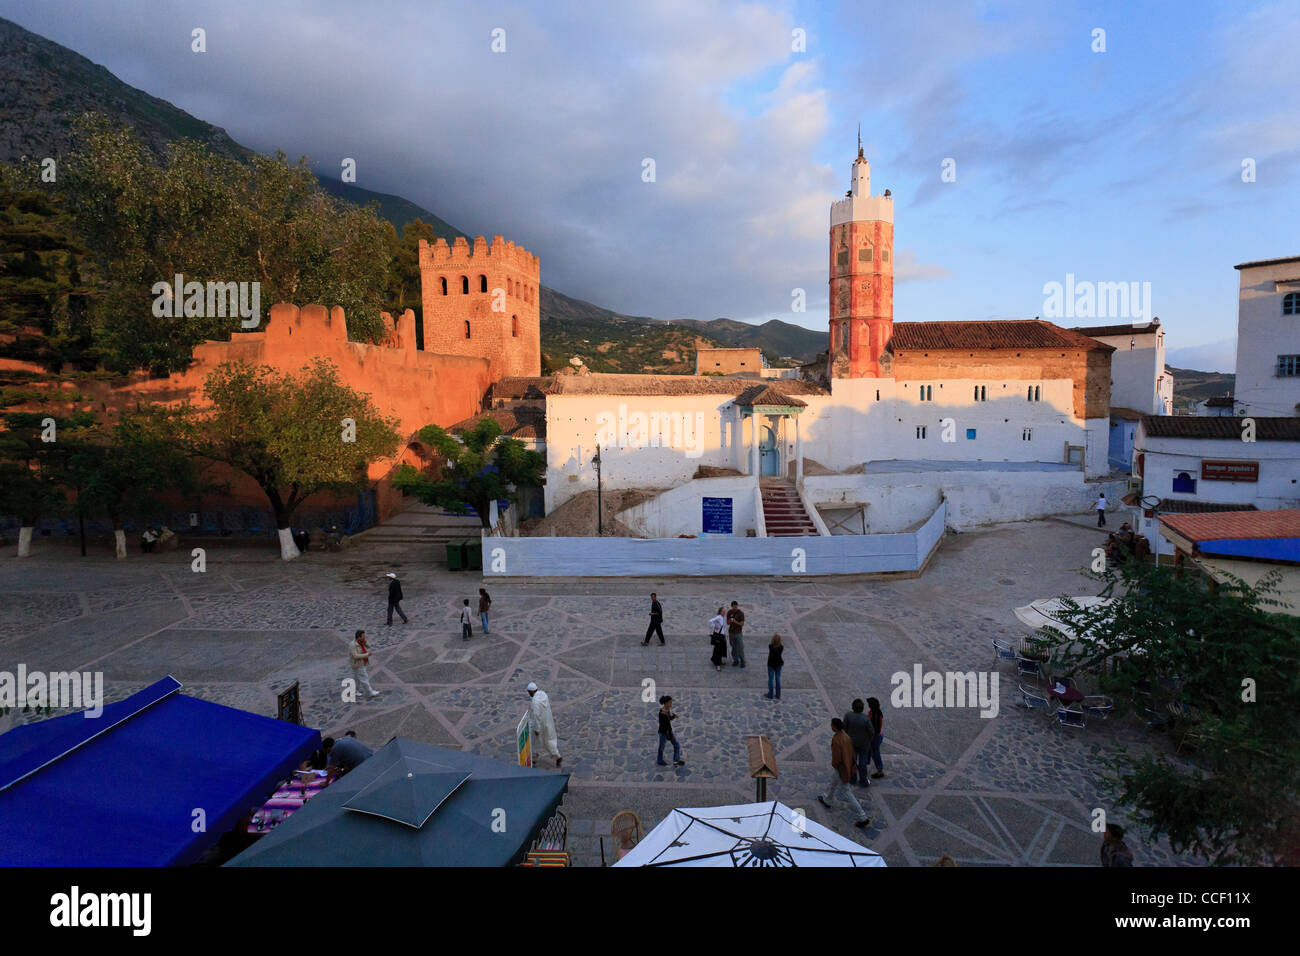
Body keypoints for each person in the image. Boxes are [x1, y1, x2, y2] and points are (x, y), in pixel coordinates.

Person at [818, 718, 871, 829]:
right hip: (847, 766)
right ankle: (828, 799)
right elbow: (852, 752)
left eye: (831, 725)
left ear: (834, 727)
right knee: (833, 783)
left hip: (842, 768)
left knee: (846, 792)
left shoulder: (837, 740)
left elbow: (837, 758)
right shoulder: (846, 736)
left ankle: (862, 816)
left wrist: (835, 764)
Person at [526, 681, 562, 768]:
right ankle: (557, 755)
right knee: (549, 740)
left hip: (540, 726)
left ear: (531, 691)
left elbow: (537, 716)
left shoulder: (535, 702)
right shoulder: (543, 694)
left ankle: (534, 758)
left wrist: (537, 729)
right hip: (548, 722)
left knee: (537, 742)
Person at [843, 698, 873, 786]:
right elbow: (871, 732)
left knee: (852, 761)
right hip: (863, 743)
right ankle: (863, 780)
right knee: (863, 761)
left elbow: (844, 727)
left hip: (851, 742)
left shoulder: (848, 715)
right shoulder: (865, 719)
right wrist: (868, 740)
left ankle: (853, 778)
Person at [349, 629, 380, 698]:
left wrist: (365, 642)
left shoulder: (362, 641)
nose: (364, 637)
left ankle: (355, 691)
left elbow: (369, 646)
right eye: (363, 636)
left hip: (363, 662)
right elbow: (355, 656)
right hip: (358, 664)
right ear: (359, 637)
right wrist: (367, 654)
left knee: (357, 678)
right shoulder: (352, 645)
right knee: (364, 678)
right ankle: (370, 692)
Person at [656, 695, 684, 766]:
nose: (671, 704)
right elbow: (665, 726)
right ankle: (660, 760)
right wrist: (669, 735)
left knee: (676, 745)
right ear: (666, 703)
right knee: (662, 747)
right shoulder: (662, 714)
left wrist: (674, 716)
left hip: (668, 732)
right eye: (670, 702)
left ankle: (676, 760)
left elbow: (669, 719)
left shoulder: (667, 710)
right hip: (663, 733)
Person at [866, 697, 885, 779]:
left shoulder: (875, 715)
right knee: (871, 752)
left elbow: (876, 730)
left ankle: (880, 770)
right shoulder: (874, 712)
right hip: (875, 736)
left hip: (875, 737)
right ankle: (866, 765)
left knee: (875, 754)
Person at [726, 601, 746, 667]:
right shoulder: (729, 612)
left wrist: (735, 621)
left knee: (740, 647)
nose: (735, 608)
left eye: (736, 606)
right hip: (731, 632)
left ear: (737, 606)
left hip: (738, 633)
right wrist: (730, 621)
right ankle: (735, 660)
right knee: (733, 647)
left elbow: (742, 624)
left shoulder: (741, 613)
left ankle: (742, 661)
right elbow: (727, 622)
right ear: (732, 606)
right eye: (733, 606)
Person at [708, 607, 727, 671]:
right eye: (723, 611)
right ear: (720, 612)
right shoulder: (719, 617)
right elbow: (710, 621)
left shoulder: (722, 617)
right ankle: (718, 665)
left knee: (721, 649)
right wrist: (714, 626)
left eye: (725, 611)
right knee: (718, 650)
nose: (724, 612)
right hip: (719, 636)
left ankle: (716, 660)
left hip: (722, 636)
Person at [766, 634, 784, 699]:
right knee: (778, 678)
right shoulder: (781, 647)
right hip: (779, 664)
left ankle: (770, 694)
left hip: (771, 664)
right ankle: (778, 694)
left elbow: (772, 648)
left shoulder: (770, 646)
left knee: (771, 679)